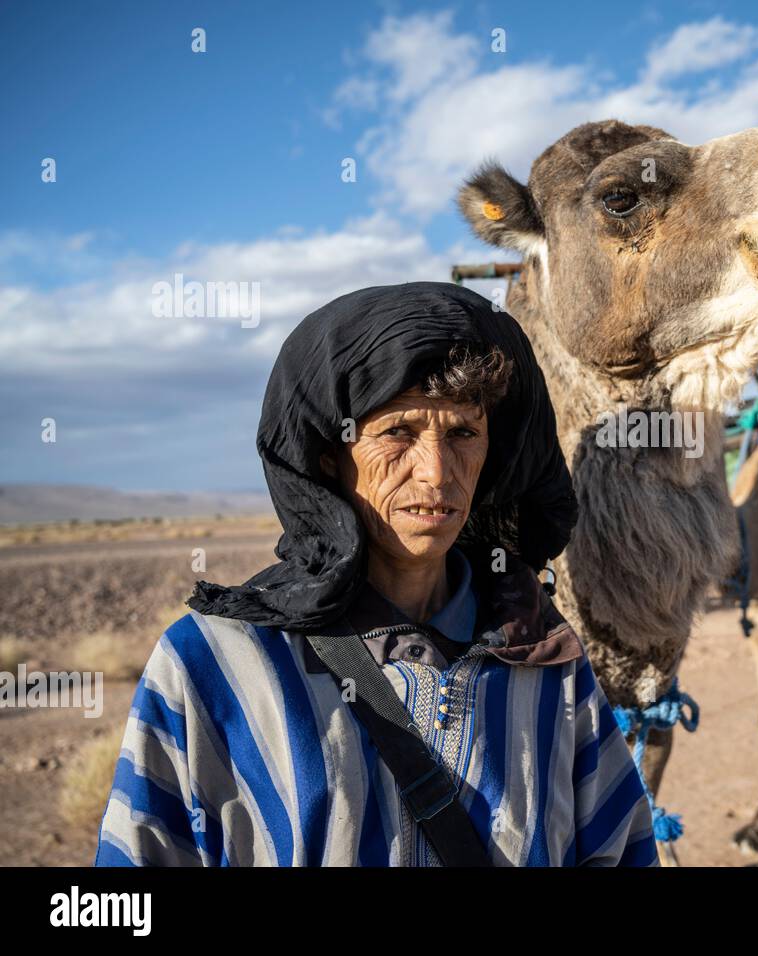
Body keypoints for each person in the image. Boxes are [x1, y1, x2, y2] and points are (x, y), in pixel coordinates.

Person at [94, 282, 658, 866]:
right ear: (328, 455)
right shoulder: (215, 664)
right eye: (397, 433)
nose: (438, 474)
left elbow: (620, 851)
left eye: (464, 433)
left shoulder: (542, 655)